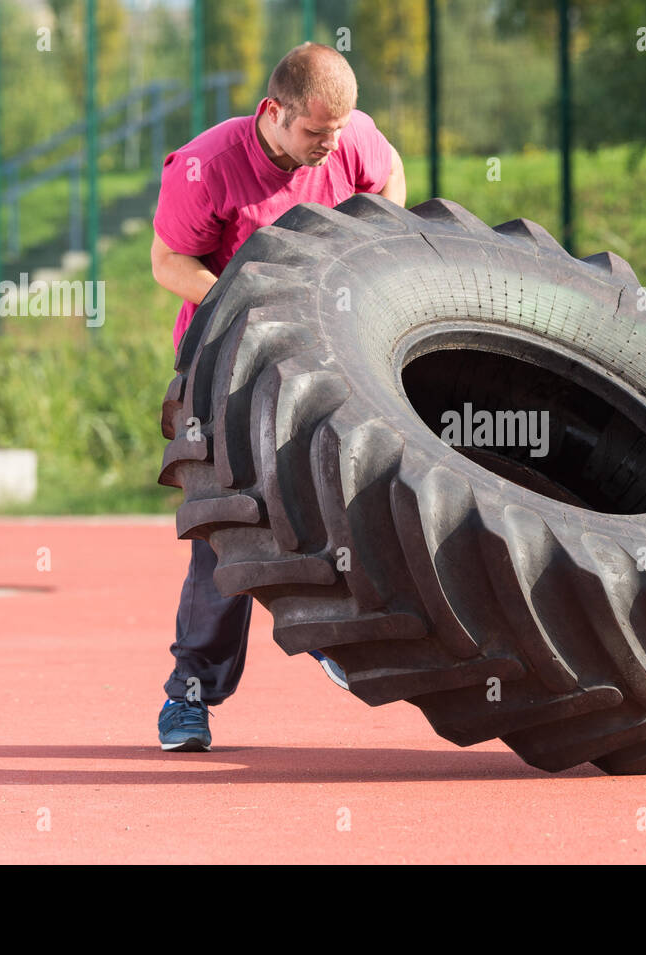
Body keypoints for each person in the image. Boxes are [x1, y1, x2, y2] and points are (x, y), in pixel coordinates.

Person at [150, 42, 407, 752]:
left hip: (322, 354)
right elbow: (168, 262)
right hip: (223, 364)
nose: (330, 149)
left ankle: (334, 635)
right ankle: (189, 697)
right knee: (229, 527)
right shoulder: (207, 167)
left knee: (348, 494)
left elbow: (390, 179)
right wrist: (251, 306)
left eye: (338, 133)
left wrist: (371, 245)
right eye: (315, 133)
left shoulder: (346, 136)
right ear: (274, 113)